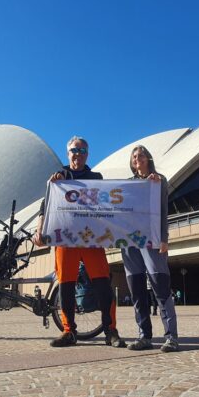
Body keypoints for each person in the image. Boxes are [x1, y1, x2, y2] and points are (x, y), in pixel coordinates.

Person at [34, 136, 126, 348]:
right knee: (66, 286)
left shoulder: (96, 177)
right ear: (68, 154)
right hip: (66, 242)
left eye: (82, 150)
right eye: (74, 150)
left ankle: (110, 330)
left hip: (91, 240)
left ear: (87, 153)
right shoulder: (59, 178)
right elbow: (44, 207)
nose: (78, 154)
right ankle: (69, 331)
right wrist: (39, 232)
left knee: (103, 285)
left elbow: (107, 207)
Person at [120, 145, 179, 352]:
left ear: (148, 158)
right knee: (136, 289)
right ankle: (144, 336)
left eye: (141, 155)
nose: (138, 159)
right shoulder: (127, 185)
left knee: (160, 285)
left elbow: (163, 211)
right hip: (129, 243)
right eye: (134, 156)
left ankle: (172, 337)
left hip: (152, 240)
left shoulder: (158, 181)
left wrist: (164, 238)